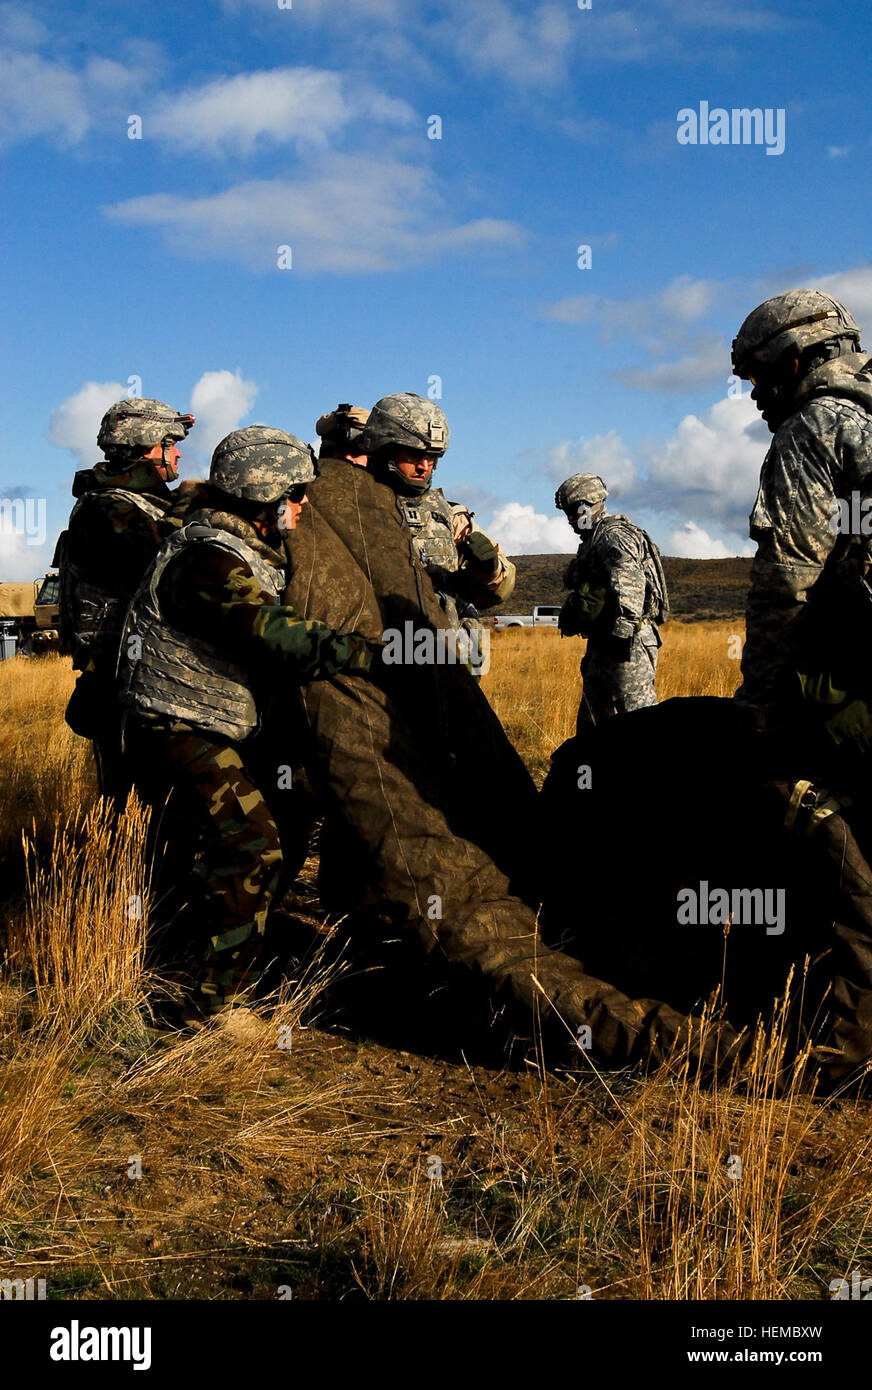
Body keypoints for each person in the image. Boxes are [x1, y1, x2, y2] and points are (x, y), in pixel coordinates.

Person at [117, 425, 380, 1025]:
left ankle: (215, 953)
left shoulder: (237, 549)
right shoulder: (206, 559)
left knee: (287, 815)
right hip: (177, 724)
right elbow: (273, 635)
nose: (304, 504)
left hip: (213, 722)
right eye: (296, 493)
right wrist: (369, 653)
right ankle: (210, 1005)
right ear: (263, 494)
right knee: (251, 843)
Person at [57, 397, 195, 797]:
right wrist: (188, 504)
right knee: (138, 800)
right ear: (149, 445)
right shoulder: (105, 508)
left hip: (143, 673)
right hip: (120, 678)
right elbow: (158, 564)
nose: (179, 451)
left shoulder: (141, 502)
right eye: (172, 441)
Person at [360, 393, 516, 671]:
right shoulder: (354, 506)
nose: (424, 466)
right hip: (380, 661)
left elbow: (500, 589)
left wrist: (488, 569)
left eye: (432, 457)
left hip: (449, 661)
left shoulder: (450, 515)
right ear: (384, 448)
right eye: (414, 455)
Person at [555, 472, 668, 731]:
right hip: (606, 641)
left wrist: (621, 637)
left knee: (636, 723)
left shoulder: (613, 537)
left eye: (575, 512)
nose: (571, 520)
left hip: (626, 643)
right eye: (568, 514)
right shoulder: (594, 540)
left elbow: (630, 587)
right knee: (595, 724)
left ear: (590, 506)